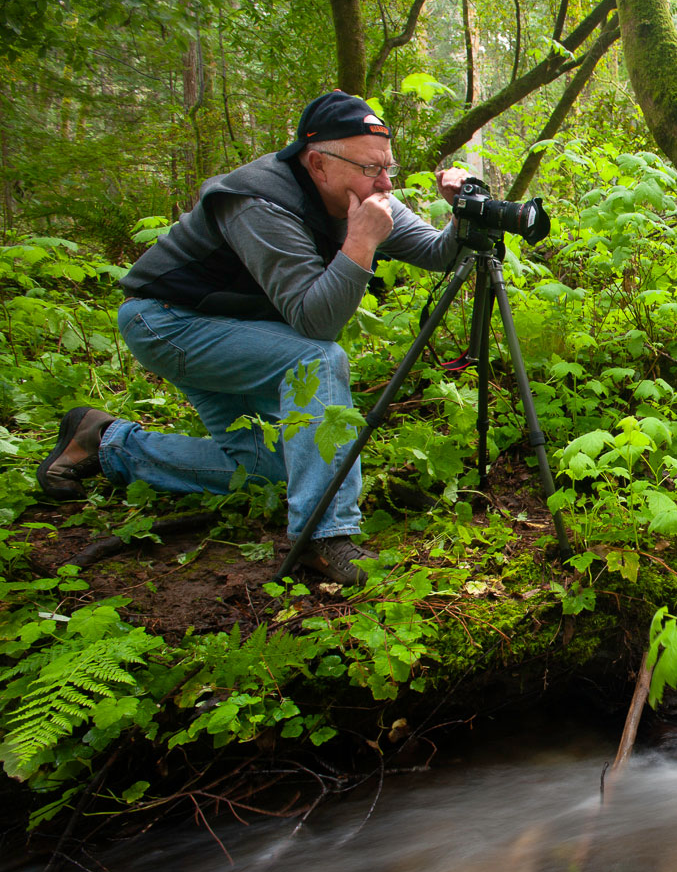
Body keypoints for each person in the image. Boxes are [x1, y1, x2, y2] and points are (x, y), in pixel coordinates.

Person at [36, 91, 468, 585]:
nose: (386, 182)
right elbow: (316, 324)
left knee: (280, 472)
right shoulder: (258, 201)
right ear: (317, 163)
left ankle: (107, 441)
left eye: (388, 166)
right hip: (168, 322)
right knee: (317, 359)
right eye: (372, 169)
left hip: (239, 327)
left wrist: (463, 215)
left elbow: (438, 253)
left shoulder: (360, 193)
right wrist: (361, 241)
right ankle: (324, 538)